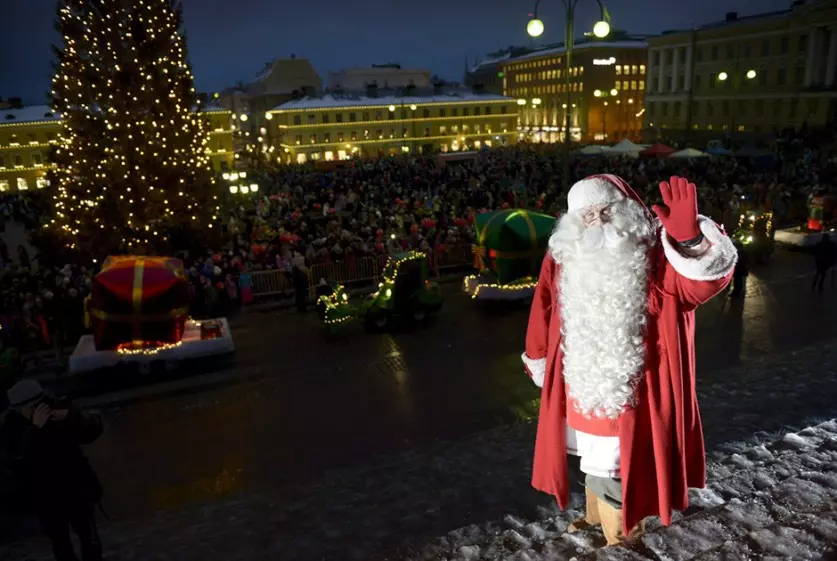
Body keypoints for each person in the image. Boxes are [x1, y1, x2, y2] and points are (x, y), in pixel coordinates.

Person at [521, 175, 736, 545]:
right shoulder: (563, 257)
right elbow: (543, 306)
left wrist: (691, 242)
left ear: (626, 213)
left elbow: (698, 285)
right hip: (578, 386)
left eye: (606, 210)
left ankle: (622, 541)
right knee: (590, 464)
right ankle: (594, 517)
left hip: (632, 393)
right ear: (573, 222)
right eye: (587, 215)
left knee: (616, 472)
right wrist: (540, 356)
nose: (598, 221)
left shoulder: (653, 255)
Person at [0, 380, 103, 561]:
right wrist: (34, 430)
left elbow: (92, 431)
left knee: (90, 538)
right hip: (45, 496)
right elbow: (17, 461)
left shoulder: (58, 409)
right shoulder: (12, 426)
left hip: (77, 487)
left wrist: (71, 417)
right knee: (61, 544)